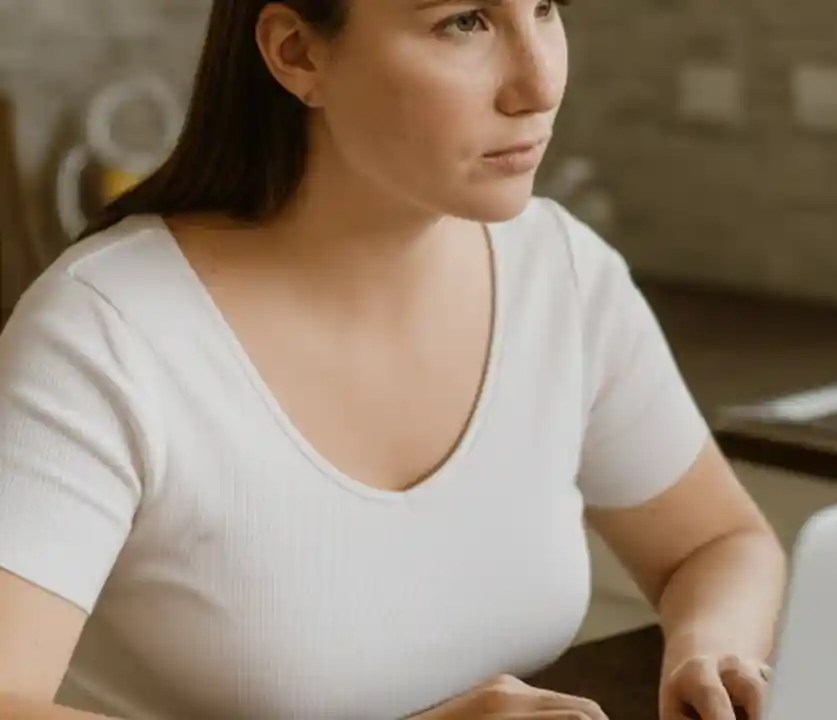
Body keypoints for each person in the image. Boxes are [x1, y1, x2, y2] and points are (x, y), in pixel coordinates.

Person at [0, 1, 787, 718]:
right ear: (297, 54)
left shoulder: (562, 274)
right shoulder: (104, 333)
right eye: (465, 22)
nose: (538, 84)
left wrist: (710, 649)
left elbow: (717, 544)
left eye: (545, 8)